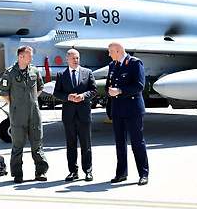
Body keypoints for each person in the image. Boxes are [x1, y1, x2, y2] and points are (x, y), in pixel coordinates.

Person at [0, 46, 49, 184]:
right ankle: (17, 174)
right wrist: (16, 105)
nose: (31, 57)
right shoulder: (9, 73)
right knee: (17, 145)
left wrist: (32, 102)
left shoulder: (34, 70)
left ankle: (41, 172)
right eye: (29, 55)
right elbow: (4, 93)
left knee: (37, 144)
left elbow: (40, 87)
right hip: (17, 115)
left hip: (34, 113)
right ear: (21, 56)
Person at [106, 42, 149, 186]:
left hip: (133, 109)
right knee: (120, 143)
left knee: (137, 143)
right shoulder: (113, 65)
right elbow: (109, 84)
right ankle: (121, 173)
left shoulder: (135, 63)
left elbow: (139, 85)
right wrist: (110, 91)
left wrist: (119, 91)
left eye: (110, 51)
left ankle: (143, 173)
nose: (109, 54)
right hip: (118, 109)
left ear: (117, 51)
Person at [53, 49, 97, 182]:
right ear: (67, 59)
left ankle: (88, 171)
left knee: (86, 144)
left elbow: (94, 90)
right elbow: (57, 93)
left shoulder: (87, 72)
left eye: (77, 58)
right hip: (69, 115)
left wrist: (83, 96)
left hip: (84, 114)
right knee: (71, 145)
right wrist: (68, 97)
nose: (76, 60)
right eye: (73, 58)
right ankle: (73, 171)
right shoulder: (61, 74)